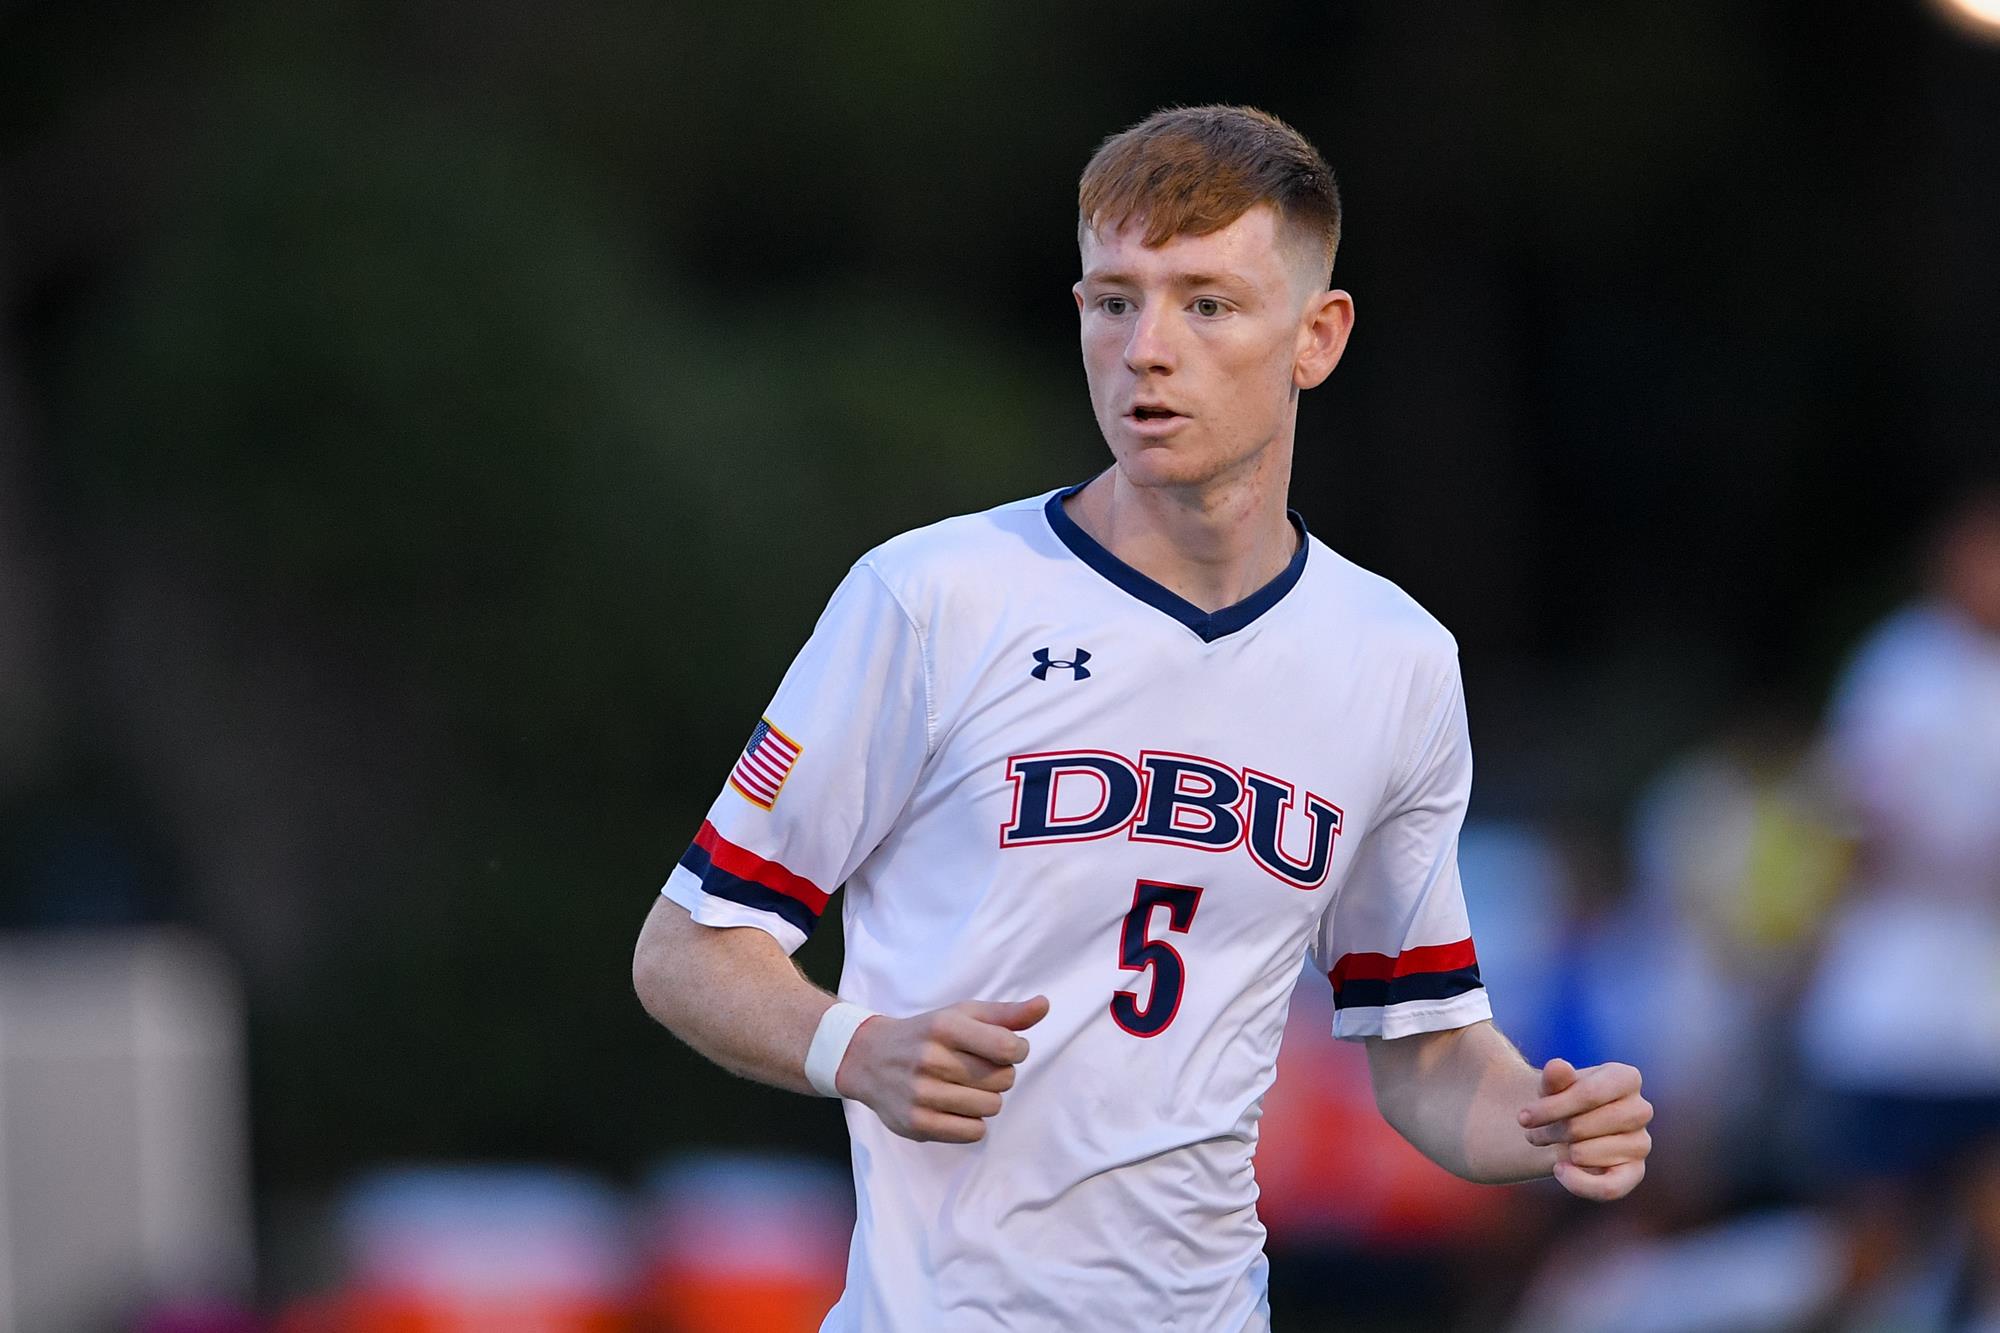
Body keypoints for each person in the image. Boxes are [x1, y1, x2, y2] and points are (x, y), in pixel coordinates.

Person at [632, 105, 1652, 1332]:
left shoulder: (1395, 661)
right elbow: (688, 946)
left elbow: (1423, 1051)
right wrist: (852, 1046)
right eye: (1114, 300)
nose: (1146, 348)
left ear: (1315, 338)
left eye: (1205, 304)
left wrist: (1541, 1123)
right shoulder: (931, 597)